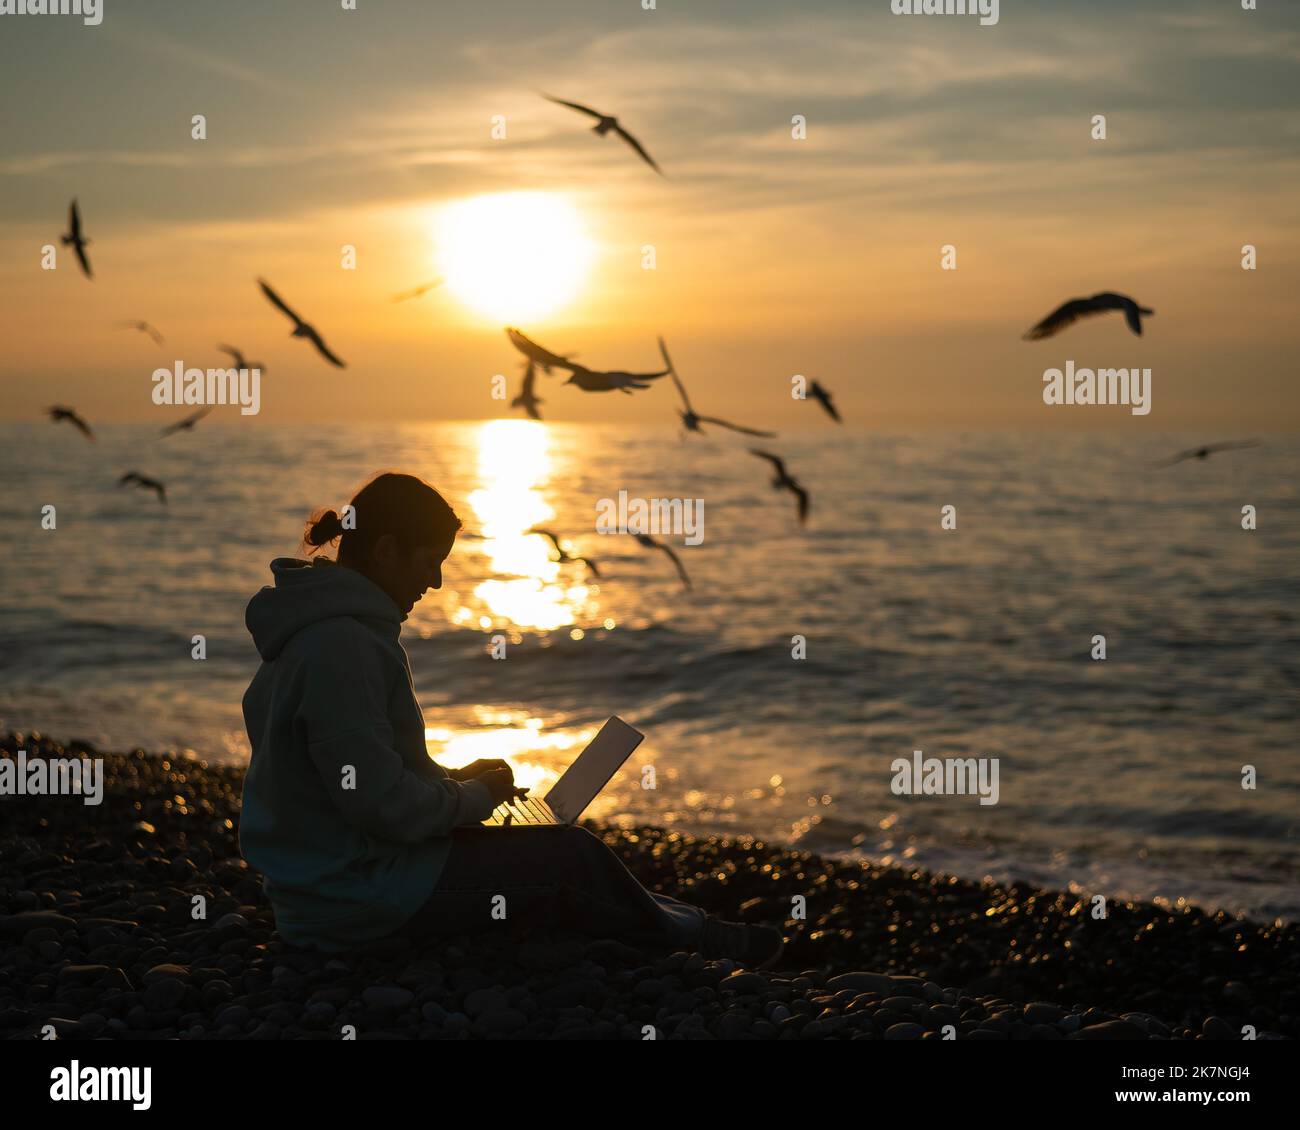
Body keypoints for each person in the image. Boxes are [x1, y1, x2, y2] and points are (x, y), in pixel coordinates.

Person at [239, 471, 783, 967]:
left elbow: (358, 779)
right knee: (568, 858)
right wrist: (472, 800)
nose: (435, 582)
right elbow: (382, 805)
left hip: (341, 879)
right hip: (356, 899)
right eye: (430, 561)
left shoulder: (324, 630)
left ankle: (691, 926)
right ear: (385, 550)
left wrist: (454, 783)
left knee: (556, 855)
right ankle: (708, 944)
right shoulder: (343, 647)